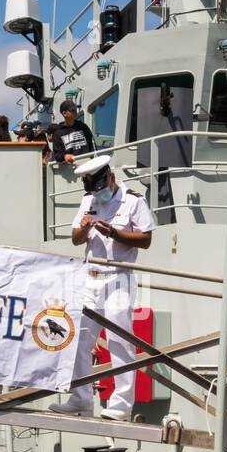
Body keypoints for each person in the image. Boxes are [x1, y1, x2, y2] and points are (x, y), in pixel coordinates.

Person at [51, 155, 155, 422]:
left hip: (118, 277)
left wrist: (114, 233)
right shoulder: (89, 201)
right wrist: (84, 229)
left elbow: (145, 240)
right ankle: (81, 399)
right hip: (90, 278)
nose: (99, 194)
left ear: (109, 177)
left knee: (119, 342)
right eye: (94, 191)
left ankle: (121, 405)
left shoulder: (133, 201)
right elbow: (75, 240)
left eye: (101, 187)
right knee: (77, 338)